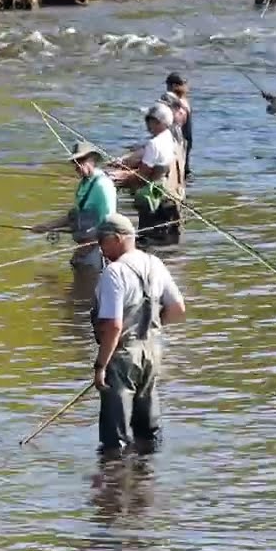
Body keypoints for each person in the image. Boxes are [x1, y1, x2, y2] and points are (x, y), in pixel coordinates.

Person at [90, 214, 186, 455]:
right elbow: (177, 308)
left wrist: (100, 366)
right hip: (152, 352)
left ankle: (115, 487)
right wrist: (152, 328)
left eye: (102, 241)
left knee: (115, 441)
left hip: (123, 357)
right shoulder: (155, 263)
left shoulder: (114, 272)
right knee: (148, 433)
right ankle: (146, 484)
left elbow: (113, 325)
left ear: (117, 238)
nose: (100, 248)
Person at [31, 141, 118, 271]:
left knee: (89, 283)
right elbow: (75, 215)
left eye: (81, 160)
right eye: (75, 161)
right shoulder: (84, 183)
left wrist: (91, 244)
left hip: (96, 249)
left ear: (93, 159)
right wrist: (47, 226)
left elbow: (110, 221)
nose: (77, 165)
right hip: (83, 247)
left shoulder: (103, 185)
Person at [110, 103, 183, 245]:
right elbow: (147, 153)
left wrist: (117, 176)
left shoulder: (154, 144)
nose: (146, 123)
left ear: (158, 122)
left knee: (147, 240)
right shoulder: (170, 137)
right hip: (170, 198)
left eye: (149, 119)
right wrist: (126, 160)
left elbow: (141, 176)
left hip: (153, 201)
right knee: (165, 240)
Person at [164, 72, 193, 177]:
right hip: (185, 139)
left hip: (181, 138)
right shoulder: (183, 101)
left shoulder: (177, 102)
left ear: (173, 86)